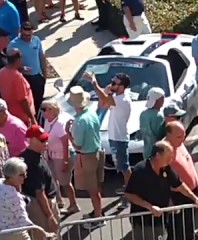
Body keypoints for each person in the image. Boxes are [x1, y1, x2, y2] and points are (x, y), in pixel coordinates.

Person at [126, 141, 198, 240]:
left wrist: (194, 198)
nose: (171, 159)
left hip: (160, 220)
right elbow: (129, 194)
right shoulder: (141, 170)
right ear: (157, 155)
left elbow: (179, 185)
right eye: (168, 156)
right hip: (145, 222)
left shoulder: (166, 168)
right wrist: (149, 207)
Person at [89, 69, 133, 188]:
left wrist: (94, 83)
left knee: (124, 167)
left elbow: (104, 100)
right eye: (112, 82)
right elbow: (102, 105)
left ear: (122, 86)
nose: (111, 84)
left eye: (114, 83)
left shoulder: (122, 99)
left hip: (120, 139)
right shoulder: (115, 97)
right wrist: (107, 91)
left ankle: (130, 189)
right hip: (114, 137)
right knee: (120, 166)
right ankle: (128, 187)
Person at [67, 87, 104, 218]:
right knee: (97, 187)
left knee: (92, 189)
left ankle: (98, 217)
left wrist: (68, 133)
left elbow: (78, 144)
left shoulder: (80, 121)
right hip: (97, 152)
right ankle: (99, 210)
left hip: (87, 157)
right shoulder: (92, 114)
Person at [42, 100, 77, 213]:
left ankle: (73, 205)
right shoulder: (48, 121)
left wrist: (65, 162)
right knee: (52, 178)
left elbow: (65, 144)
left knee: (65, 182)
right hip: (52, 154)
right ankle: (59, 201)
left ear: (51, 110)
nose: (42, 112)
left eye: (44, 109)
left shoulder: (60, 124)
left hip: (62, 156)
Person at [11, 22, 48, 111]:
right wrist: (21, 68)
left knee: (38, 102)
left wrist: (44, 74)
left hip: (37, 77)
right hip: (24, 78)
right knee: (27, 104)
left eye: (29, 35)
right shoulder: (13, 44)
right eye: (24, 35)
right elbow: (10, 64)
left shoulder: (36, 40)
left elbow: (41, 57)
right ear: (20, 31)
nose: (27, 37)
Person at [0, 51, 36, 125]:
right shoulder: (17, 77)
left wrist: (21, 69)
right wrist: (32, 118)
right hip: (23, 118)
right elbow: (23, 100)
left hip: (11, 114)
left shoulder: (1, 72)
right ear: (18, 60)